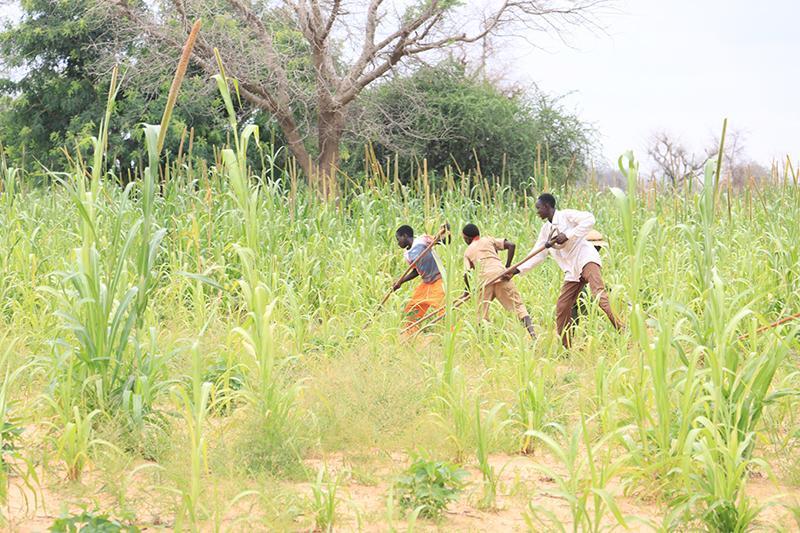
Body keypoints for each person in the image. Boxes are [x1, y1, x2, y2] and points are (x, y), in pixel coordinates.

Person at [509, 193, 622, 348]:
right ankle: (565, 348)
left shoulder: (567, 216)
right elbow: (537, 254)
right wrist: (516, 271)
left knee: (599, 295)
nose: (537, 212)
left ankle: (622, 329)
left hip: (585, 259)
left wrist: (567, 235)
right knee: (562, 307)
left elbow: (590, 219)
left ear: (547, 206)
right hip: (572, 271)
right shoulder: (546, 230)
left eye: (539, 208)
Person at [461, 223, 536, 338]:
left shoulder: (468, 251)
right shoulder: (488, 240)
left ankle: (482, 341)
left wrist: (467, 291)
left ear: (467, 238)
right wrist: (507, 268)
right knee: (519, 307)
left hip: (484, 281)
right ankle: (533, 336)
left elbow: (466, 273)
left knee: (481, 314)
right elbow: (511, 245)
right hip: (501, 276)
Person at [393, 225, 446, 331]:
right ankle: (409, 335)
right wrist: (401, 281)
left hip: (439, 280)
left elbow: (440, 241)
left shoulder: (422, 241)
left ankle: (450, 334)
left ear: (405, 236)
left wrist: (445, 232)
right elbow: (416, 271)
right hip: (426, 283)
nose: (398, 243)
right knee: (412, 308)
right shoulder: (407, 255)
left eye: (398, 239)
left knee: (443, 309)